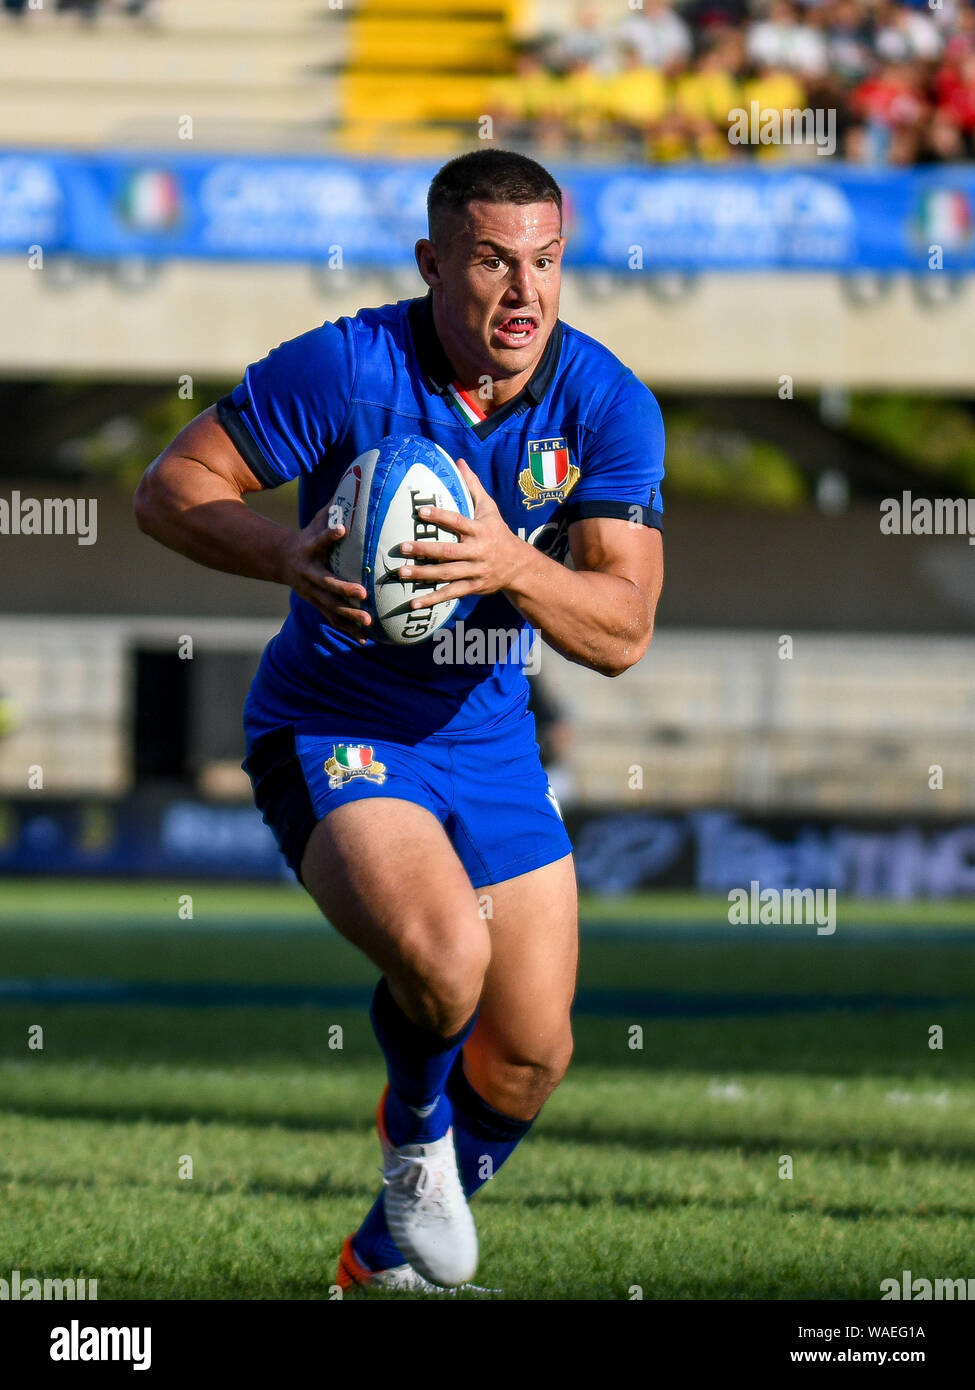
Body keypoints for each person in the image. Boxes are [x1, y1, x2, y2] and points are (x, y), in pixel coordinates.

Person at [134, 148, 665, 1294]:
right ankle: (415, 1137)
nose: (524, 291)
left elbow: (623, 630)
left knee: (531, 1053)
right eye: (491, 261)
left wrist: (512, 564)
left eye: (546, 261)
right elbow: (169, 488)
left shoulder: (606, 401)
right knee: (445, 956)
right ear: (433, 264)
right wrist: (282, 546)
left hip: (490, 742)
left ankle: (376, 1261)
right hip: (332, 725)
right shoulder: (345, 365)